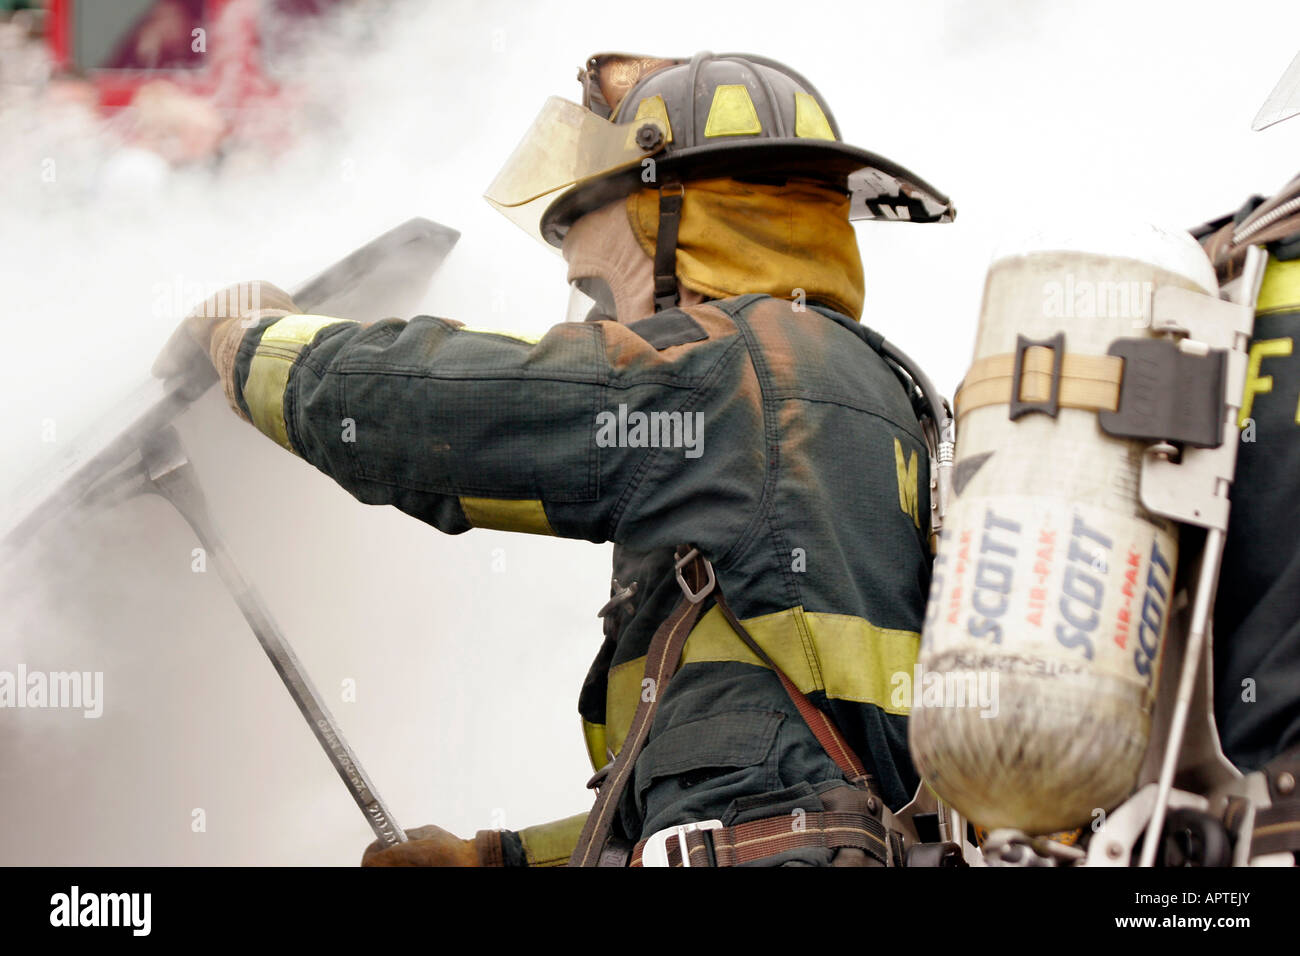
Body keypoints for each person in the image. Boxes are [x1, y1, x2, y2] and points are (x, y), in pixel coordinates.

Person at [160, 51, 955, 866]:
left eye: (602, 291)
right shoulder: (882, 400)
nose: (603, 317)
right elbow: (754, 813)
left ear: (680, 222)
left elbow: (449, 408)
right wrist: (498, 861)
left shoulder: (738, 373)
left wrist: (253, 342)